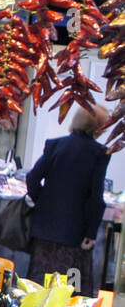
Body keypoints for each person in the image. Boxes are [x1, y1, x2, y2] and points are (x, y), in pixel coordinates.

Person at [25, 104, 111, 296]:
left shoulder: (55, 145)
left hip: (45, 231)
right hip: (76, 235)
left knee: (39, 288)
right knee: (71, 290)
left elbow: (32, 178)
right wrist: (91, 232)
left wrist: (43, 203)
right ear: (98, 128)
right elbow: (95, 196)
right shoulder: (100, 153)